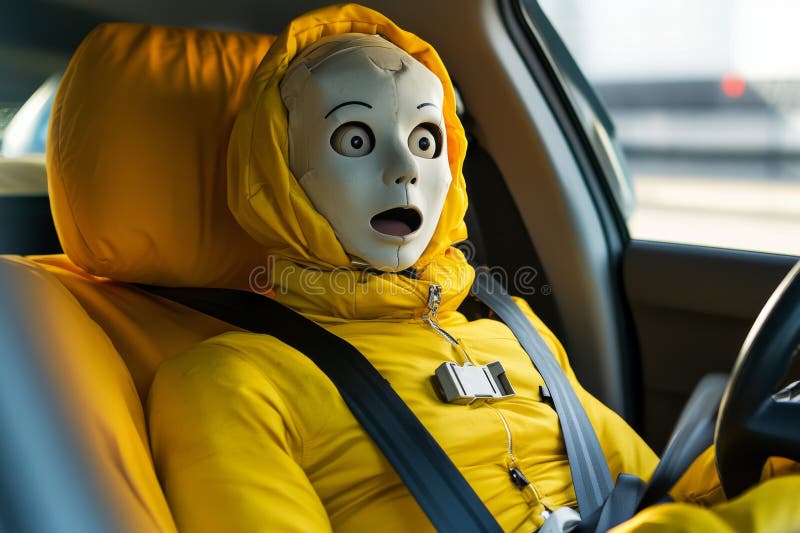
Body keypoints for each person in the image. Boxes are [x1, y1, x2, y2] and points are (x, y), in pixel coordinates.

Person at [147, 4, 800, 532]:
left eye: (426, 139)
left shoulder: (513, 331)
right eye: (354, 139)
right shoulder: (227, 381)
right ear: (279, 174)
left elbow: (658, 487)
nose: (405, 168)